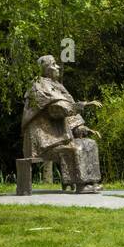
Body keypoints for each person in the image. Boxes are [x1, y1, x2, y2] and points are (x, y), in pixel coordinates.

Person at [21, 56, 103, 193]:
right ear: (45, 69)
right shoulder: (38, 86)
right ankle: (81, 185)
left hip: (59, 137)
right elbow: (56, 111)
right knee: (75, 149)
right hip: (44, 140)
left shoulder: (57, 86)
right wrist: (82, 105)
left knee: (89, 143)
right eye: (54, 64)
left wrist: (80, 127)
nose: (57, 67)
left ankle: (91, 182)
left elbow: (68, 114)